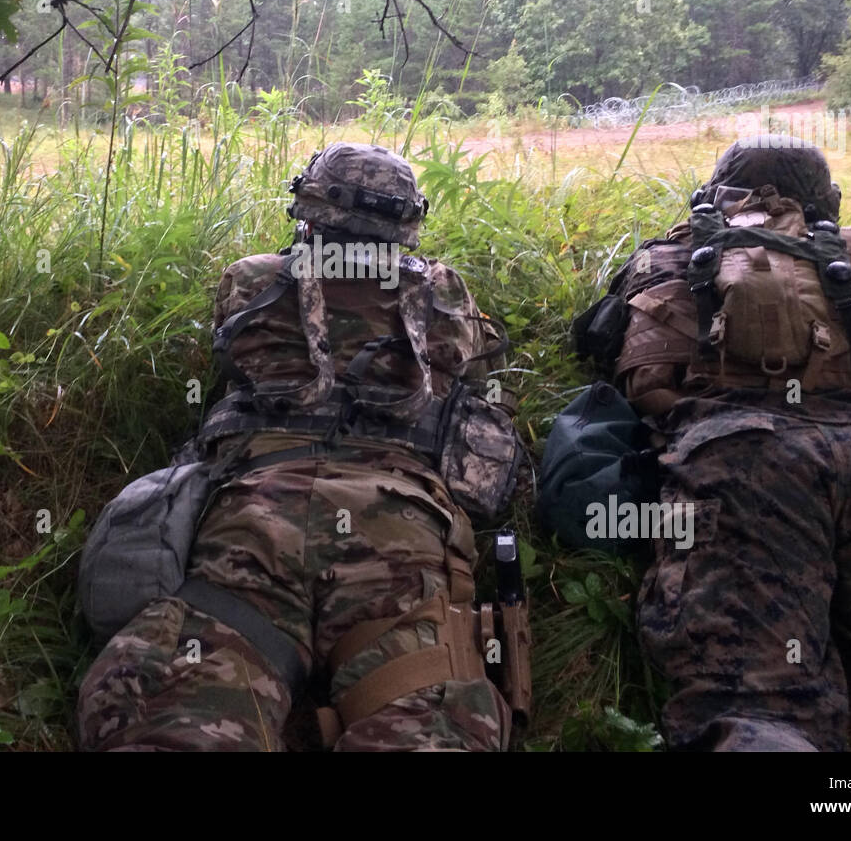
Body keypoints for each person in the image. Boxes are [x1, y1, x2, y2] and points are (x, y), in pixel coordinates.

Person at [79, 142, 528, 752]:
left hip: (256, 515)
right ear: (407, 224)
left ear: (310, 212)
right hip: (399, 528)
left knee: (171, 709)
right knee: (433, 721)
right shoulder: (445, 293)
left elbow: (228, 362)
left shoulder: (254, 278)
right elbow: (476, 373)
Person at [573, 136, 851, 751]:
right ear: (827, 199)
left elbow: (640, 379)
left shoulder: (674, 255)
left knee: (757, 701)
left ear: (716, 191)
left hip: (745, 462)